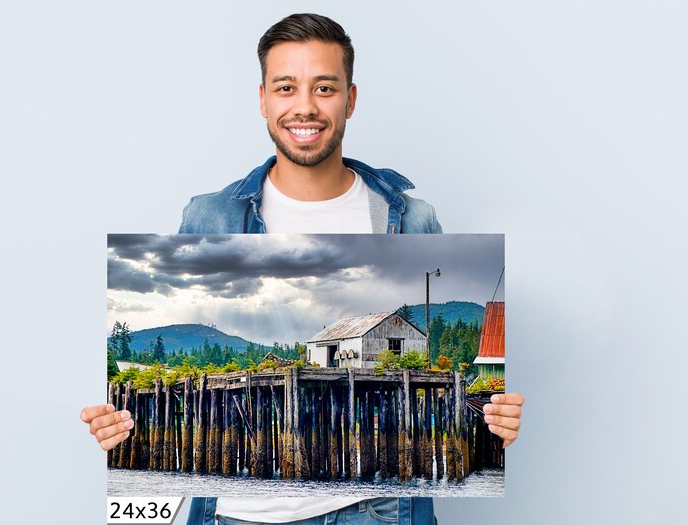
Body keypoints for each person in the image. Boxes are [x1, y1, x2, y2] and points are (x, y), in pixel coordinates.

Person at [81, 13, 524, 525]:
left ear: (350, 99)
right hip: (232, 516)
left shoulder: (412, 217)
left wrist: (501, 422)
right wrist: (113, 424)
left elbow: (497, 421)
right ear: (264, 98)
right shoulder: (208, 215)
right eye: (286, 87)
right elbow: (124, 429)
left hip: (375, 513)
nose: (305, 107)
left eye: (325, 87)